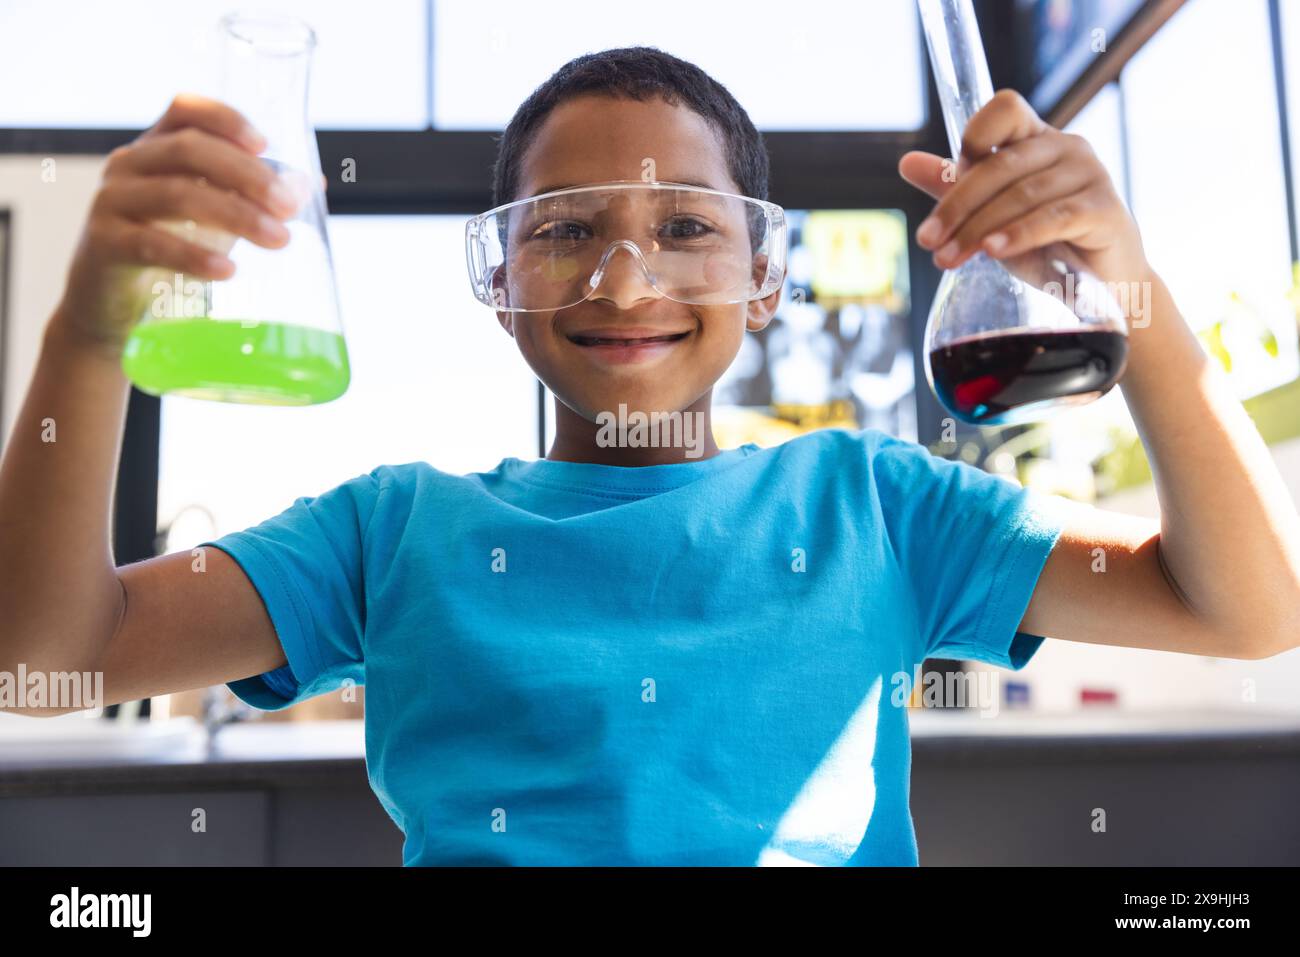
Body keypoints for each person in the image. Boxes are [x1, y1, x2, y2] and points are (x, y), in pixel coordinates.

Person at [2, 47, 1297, 866]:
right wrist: (91, 327)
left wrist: (1129, 288)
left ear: (766, 276)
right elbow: (46, 659)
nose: (627, 275)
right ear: (498, 279)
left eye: (686, 225)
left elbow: (1249, 605)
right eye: (566, 231)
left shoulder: (878, 507)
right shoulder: (392, 532)